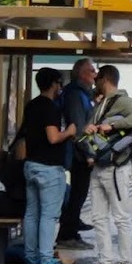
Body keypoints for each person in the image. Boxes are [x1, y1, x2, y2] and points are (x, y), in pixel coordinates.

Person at [82, 65, 132, 264]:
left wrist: (115, 126)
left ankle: (124, 263)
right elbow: (92, 127)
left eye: (97, 77)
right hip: (99, 165)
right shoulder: (102, 103)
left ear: (106, 79)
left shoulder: (122, 101)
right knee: (98, 216)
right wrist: (90, 128)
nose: (94, 81)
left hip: (117, 166)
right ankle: (105, 261)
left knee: (120, 216)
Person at [21, 67, 76, 264]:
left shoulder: (31, 106)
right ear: (53, 83)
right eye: (59, 83)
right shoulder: (51, 108)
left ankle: (31, 257)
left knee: (32, 214)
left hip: (31, 165)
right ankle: (46, 258)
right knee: (49, 215)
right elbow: (53, 137)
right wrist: (69, 132)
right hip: (49, 168)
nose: (61, 86)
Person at [55, 59, 98, 250]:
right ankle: (67, 234)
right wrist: (88, 152)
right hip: (77, 153)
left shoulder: (83, 93)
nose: (95, 74)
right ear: (81, 74)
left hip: (79, 151)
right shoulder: (75, 95)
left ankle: (72, 227)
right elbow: (79, 126)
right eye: (91, 71)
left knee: (79, 194)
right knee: (77, 193)